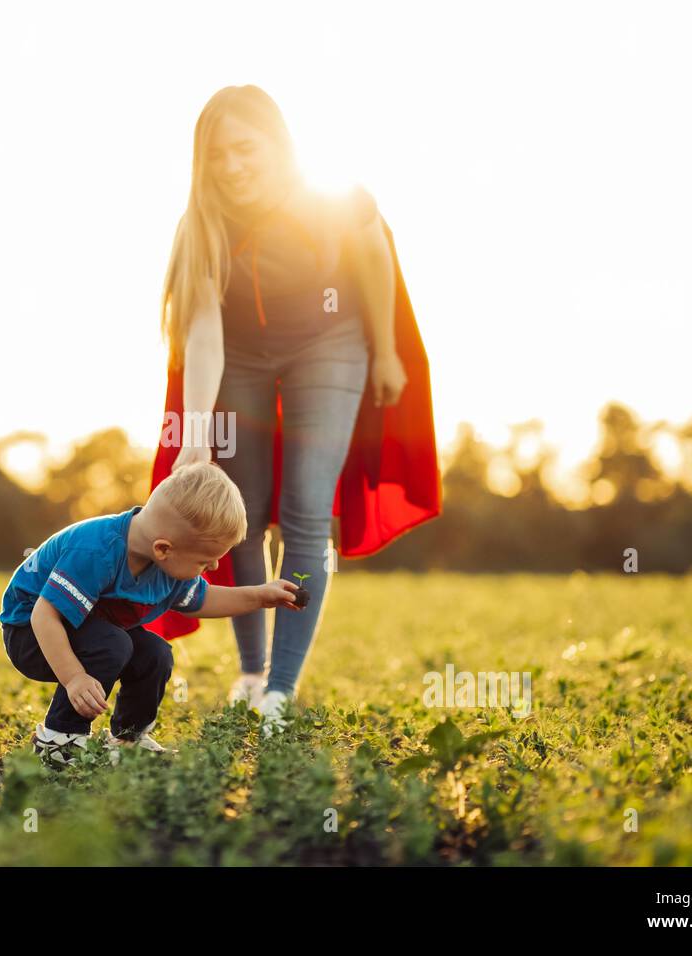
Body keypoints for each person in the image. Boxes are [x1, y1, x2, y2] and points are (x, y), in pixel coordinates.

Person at [147, 84, 442, 733]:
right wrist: (197, 435)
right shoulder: (202, 223)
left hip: (329, 344)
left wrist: (388, 351)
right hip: (242, 357)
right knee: (240, 514)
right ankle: (251, 675)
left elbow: (374, 257)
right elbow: (201, 333)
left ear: (278, 145)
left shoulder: (337, 198)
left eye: (245, 149)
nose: (231, 167)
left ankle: (282, 688)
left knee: (308, 508)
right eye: (216, 155)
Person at [0, 461, 304, 765]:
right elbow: (44, 616)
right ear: (163, 549)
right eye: (205, 560)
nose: (213, 567)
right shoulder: (96, 551)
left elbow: (203, 599)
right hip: (31, 633)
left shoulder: (167, 563)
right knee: (114, 644)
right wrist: (75, 678)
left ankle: (128, 740)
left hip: (93, 629)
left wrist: (259, 596)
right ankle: (59, 740)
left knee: (155, 653)